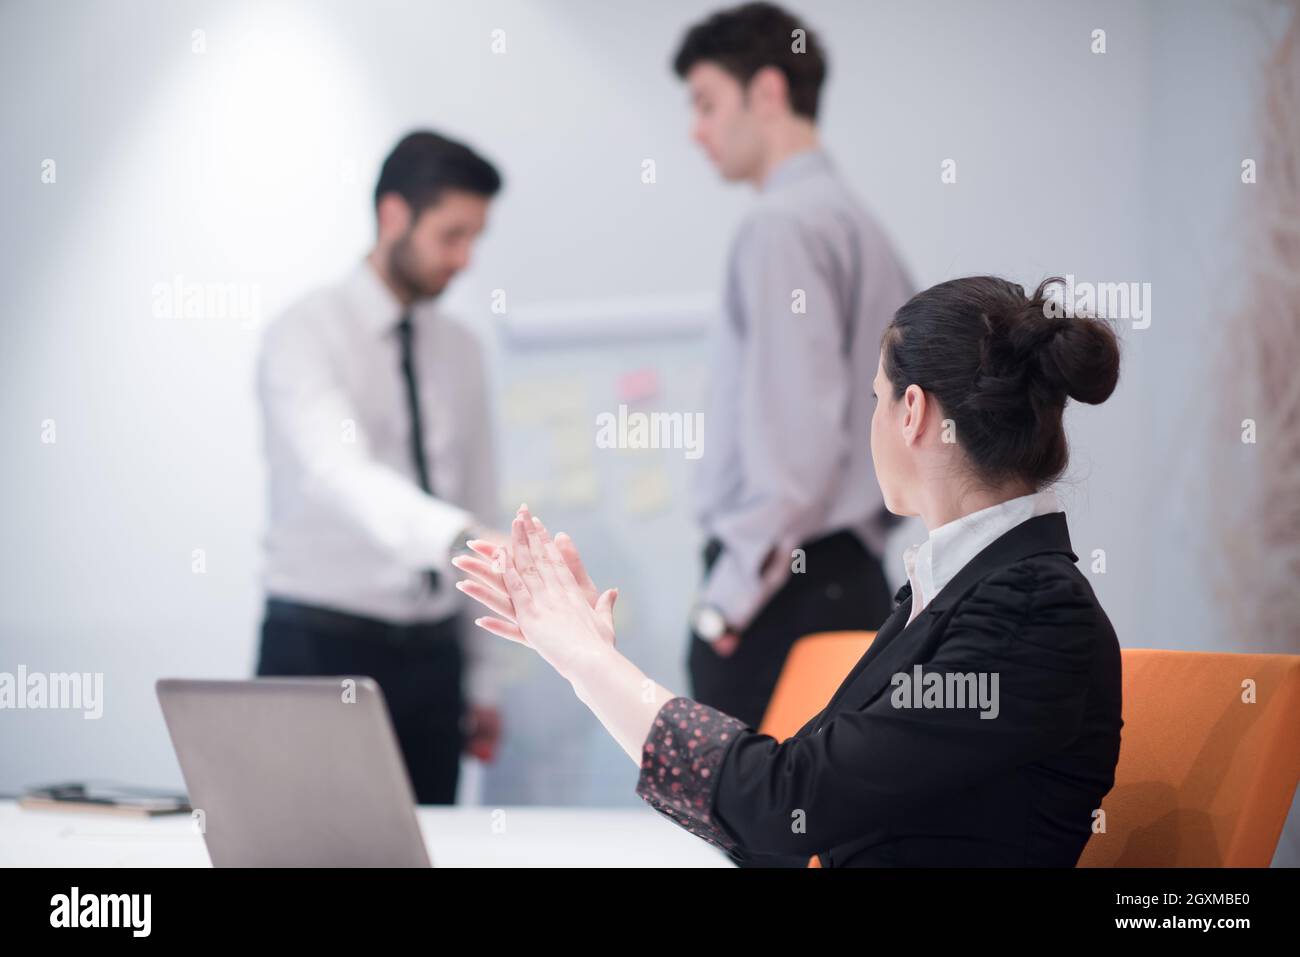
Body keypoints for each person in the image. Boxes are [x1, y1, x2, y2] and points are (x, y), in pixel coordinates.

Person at [454, 275, 1124, 867]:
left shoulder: (1028, 608)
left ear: (913, 412)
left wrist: (589, 665)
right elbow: (783, 820)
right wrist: (591, 663)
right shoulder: (965, 589)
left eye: (875, 399)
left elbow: (786, 805)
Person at [671, 2, 915, 729]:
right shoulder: (862, 225)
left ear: (769, 92)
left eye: (708, 103)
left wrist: (724, 604)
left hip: (782, 594)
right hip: (845, 578)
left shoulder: (779, 226)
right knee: (827, 835)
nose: (696, 130)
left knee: (763, 830)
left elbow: (797, 458)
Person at [254, 130, 507, 804]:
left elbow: (481, 494)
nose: (464, 259)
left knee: (427, 845)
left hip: (433, 655)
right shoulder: (304, 332)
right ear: (394, 214)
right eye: (451, 235)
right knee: (298, 846)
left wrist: (482, 678)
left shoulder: (462, 350)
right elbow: (338, 472)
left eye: (474, 238)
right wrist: (459, 538)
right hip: (318, 643)